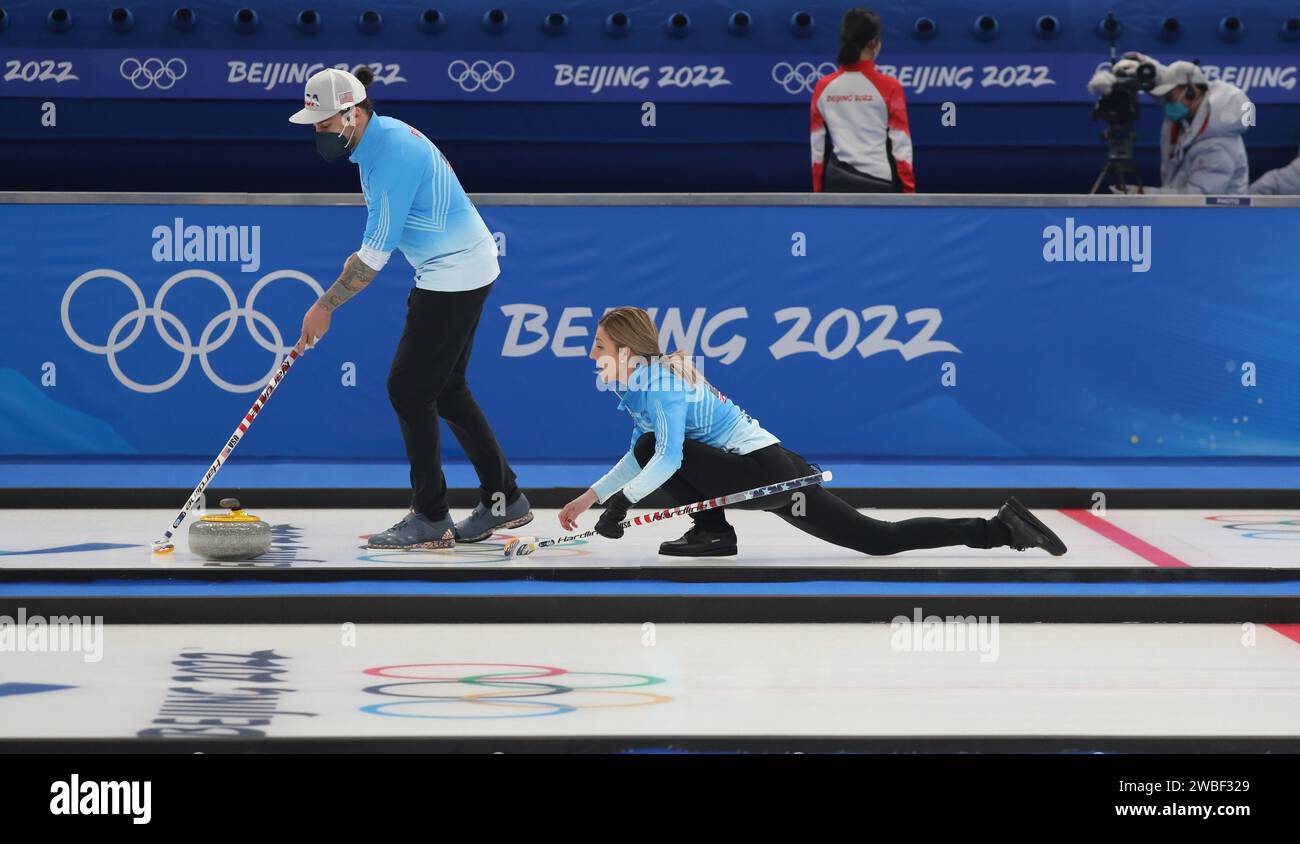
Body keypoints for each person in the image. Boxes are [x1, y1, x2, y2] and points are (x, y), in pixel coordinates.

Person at [558, 307, 1066, 558]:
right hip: (774, 468)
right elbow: (640, 459)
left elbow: (664, 460)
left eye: (599, 345)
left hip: (764, 473)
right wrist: (589, 500)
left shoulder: (660, 384)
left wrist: (622, 505)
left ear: (626, 350)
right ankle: (1000, 530)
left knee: (655, 448)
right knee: (877, 541)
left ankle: (714, 531)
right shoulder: (641, 387)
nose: (592, 354)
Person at [289, 67, 531, 549]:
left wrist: (325, 306)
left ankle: (430, 515)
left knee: (408, 388)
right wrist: (356, 262)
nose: (318, 134)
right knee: (445, 390)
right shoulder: (373, 142)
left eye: (323, 124)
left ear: (353, 114)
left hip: (453, 272)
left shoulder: (390, 155)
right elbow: (379, 238)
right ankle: (504, 497)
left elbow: (374, 260)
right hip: (458, 266)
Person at [1089, 56, 1251, 195]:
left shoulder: (1216, 146)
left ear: (1191, 91)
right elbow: (1169, 84)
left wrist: (1143, 195)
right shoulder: (1193, 121)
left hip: (1216, 225)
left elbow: (1195, 199)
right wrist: (1141, 69)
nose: (1166, 103)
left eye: (1169, 97)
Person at [810, 8, 915, 194]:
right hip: (880, 181)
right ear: (873, 42)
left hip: (836, 182)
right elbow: (902, 147)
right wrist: (909, 193)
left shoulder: (823, 87)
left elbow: (817, 149)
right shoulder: (890, 86)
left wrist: (819, 193)